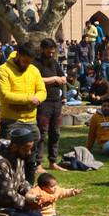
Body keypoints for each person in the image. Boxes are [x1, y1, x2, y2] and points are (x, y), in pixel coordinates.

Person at [0, 41, 46, 182]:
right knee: (9, 160)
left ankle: (28, 189)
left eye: (29, 62)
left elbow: (42, 91)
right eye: (24, 61)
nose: (26, 65)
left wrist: (37, 99)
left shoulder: (34, 70)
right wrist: (30, 99)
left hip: (31, 121)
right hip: (12, 122)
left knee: (31, 160)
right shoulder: (3, 70)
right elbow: (6, 95)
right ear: (18, 55)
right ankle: (8, 190)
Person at [35, 38, 69, 171]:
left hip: (56, 102)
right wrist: (55, 79)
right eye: (49, 52)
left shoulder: (54, 62)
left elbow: (64, 78)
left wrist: (58, 79)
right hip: (44, 103)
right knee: (42, 133)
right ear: (42, 49)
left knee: (55, 133)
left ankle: (52, 162)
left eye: (52, 52)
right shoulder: (36, 64)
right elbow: (38, 80)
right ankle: (38, 163)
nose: (50, 54)